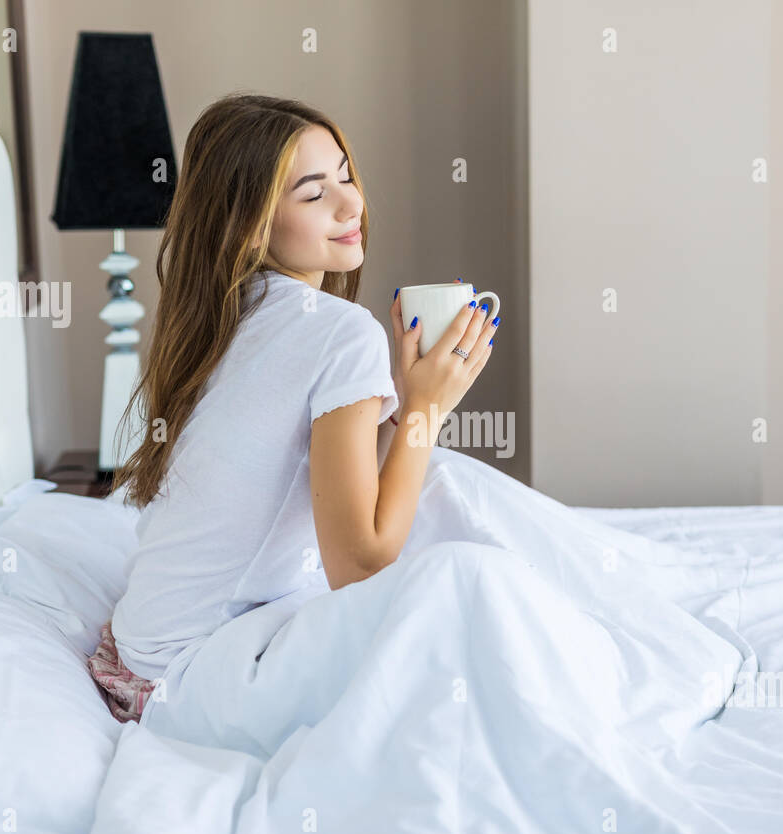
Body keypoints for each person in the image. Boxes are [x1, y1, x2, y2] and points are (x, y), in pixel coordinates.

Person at [91, 93, 745, 735]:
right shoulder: (339, 333)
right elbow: (362, 570)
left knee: (440, 481)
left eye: (346, 176)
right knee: (466, 570)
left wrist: (408, 403)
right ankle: (633, 633)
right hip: (204, 677)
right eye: (315, 194)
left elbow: (304, 476)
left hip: (147, 655)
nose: (352, 204)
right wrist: (428, 407)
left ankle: (628, 602)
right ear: (250, 224)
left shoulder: (225, 318)